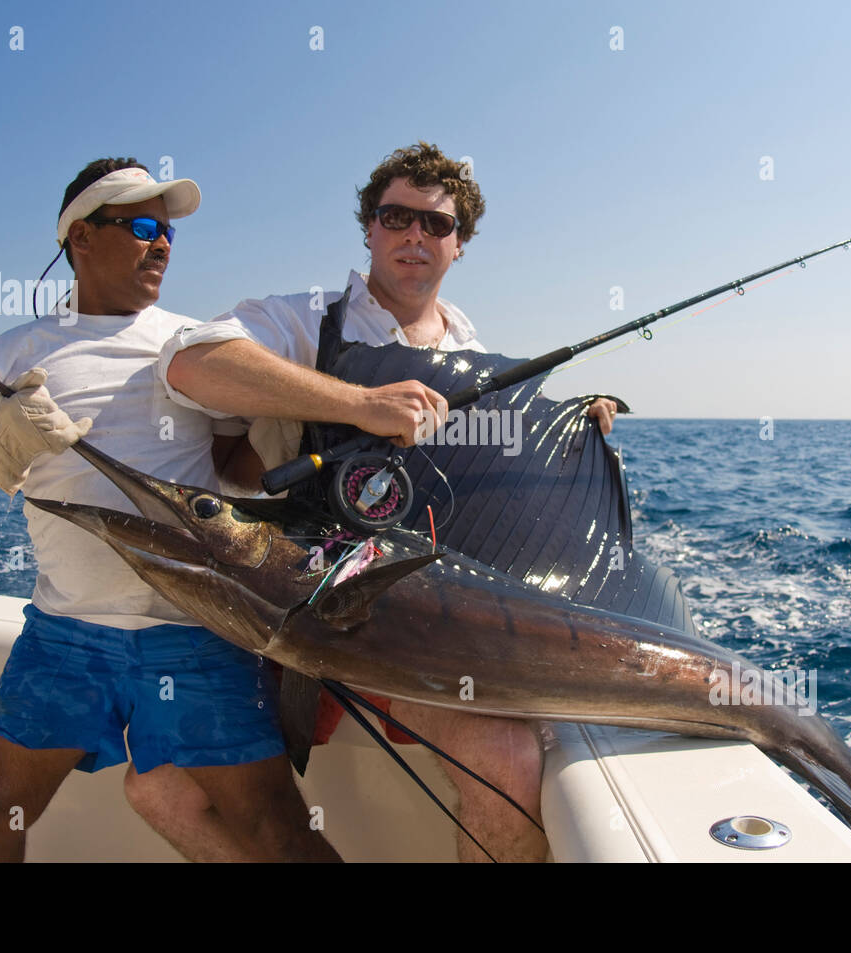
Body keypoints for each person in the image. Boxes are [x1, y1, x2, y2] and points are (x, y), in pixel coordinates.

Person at [150, 142, 617, 862]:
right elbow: (189, 362)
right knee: (161, 786)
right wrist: (359, 404)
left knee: (508, 764)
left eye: (437, 224)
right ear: (369, 227)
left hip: (419, 629)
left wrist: (571, 432)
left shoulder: (474, 354)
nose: (414, 236)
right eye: (396, 217)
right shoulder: (304, 319)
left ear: (460, 245)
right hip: (297, 606)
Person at [0, 158, 338, 862]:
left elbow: (233, 469)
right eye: (144, 226)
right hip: (63, 636)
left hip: (196, 630)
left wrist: (278, 439)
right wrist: (1, 444)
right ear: (81, 238)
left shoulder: (195, 346)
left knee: (278, 831)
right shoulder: (10, 354)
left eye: (169, 232)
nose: (163, 244)